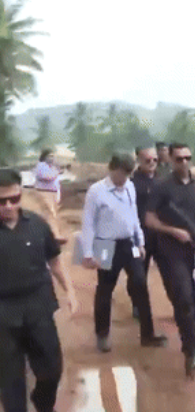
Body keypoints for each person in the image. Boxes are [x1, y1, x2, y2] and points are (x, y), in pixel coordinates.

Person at [0, 168, 78, 412]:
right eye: (2, 201)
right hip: (3, 315)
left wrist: (71, 292)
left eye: (14, 199)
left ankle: (43, 404)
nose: (9, 206)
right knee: (10, 380)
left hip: (38, 308)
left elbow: (54, 260)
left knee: (52, 370)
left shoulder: (37, 224)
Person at [80, 154, 168, 353]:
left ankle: (148, 334)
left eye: (128, 174)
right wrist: (87, 252)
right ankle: (102, 335)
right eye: (121, 174)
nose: (124, 178)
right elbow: (88, 223)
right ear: (112, 169)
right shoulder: (96, 191)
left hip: (129, 244)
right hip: (105, 244)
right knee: (105, 289)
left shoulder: (129, 186)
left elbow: (133, 214)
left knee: (140, 284)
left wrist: (140, 242)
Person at [146, 143, 195, 378]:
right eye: (179, 159)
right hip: (171, 251)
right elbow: (149, 219)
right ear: (171, 160)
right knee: (183, 298)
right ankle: (190, 351)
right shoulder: (161, 187)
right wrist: (173, 231)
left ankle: (193, 342)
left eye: (188, 157)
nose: (184, 162)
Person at [129, 146, 160, 320]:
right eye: (147, 160)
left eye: (155, 160)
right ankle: (137, 304)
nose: (152, 163)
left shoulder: (163, 180)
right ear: (139, 161)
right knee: (139, 272)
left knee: (170, 272)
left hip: (161, 234)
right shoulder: (132, 183)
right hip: (139, 236)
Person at [33, 148, 65, 244]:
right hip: (44, 192)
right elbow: (47, 177)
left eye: (52, 156)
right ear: (44, 156)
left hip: (52, 193)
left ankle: (52, 235)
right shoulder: (41, 166)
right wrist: (57, 172)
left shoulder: (51, 167)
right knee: (50, 213)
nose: (52, 158)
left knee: (52, 214)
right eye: (50, 156)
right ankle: (55, 235)